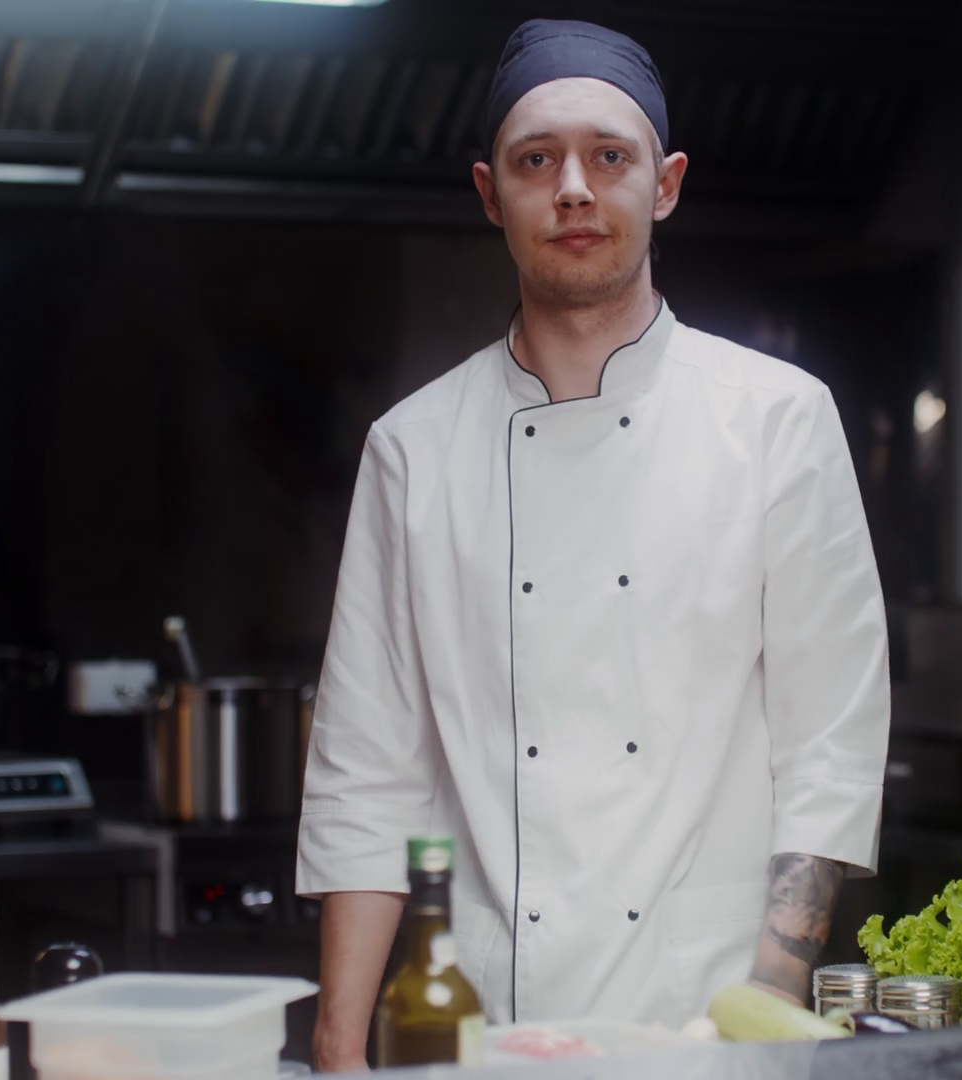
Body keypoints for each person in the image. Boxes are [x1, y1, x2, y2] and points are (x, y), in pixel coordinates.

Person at [296, 18, 889, 1072]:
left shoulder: (776, 420)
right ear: (492, 194)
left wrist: (764, 1005)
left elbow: (829, 742)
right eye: (538, 160)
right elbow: (364, 767)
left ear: (663, 185)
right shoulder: (412, 450)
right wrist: (339, 1045)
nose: (575, 187)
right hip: (475, 1025)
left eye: (609, 156)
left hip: (702, 1021)